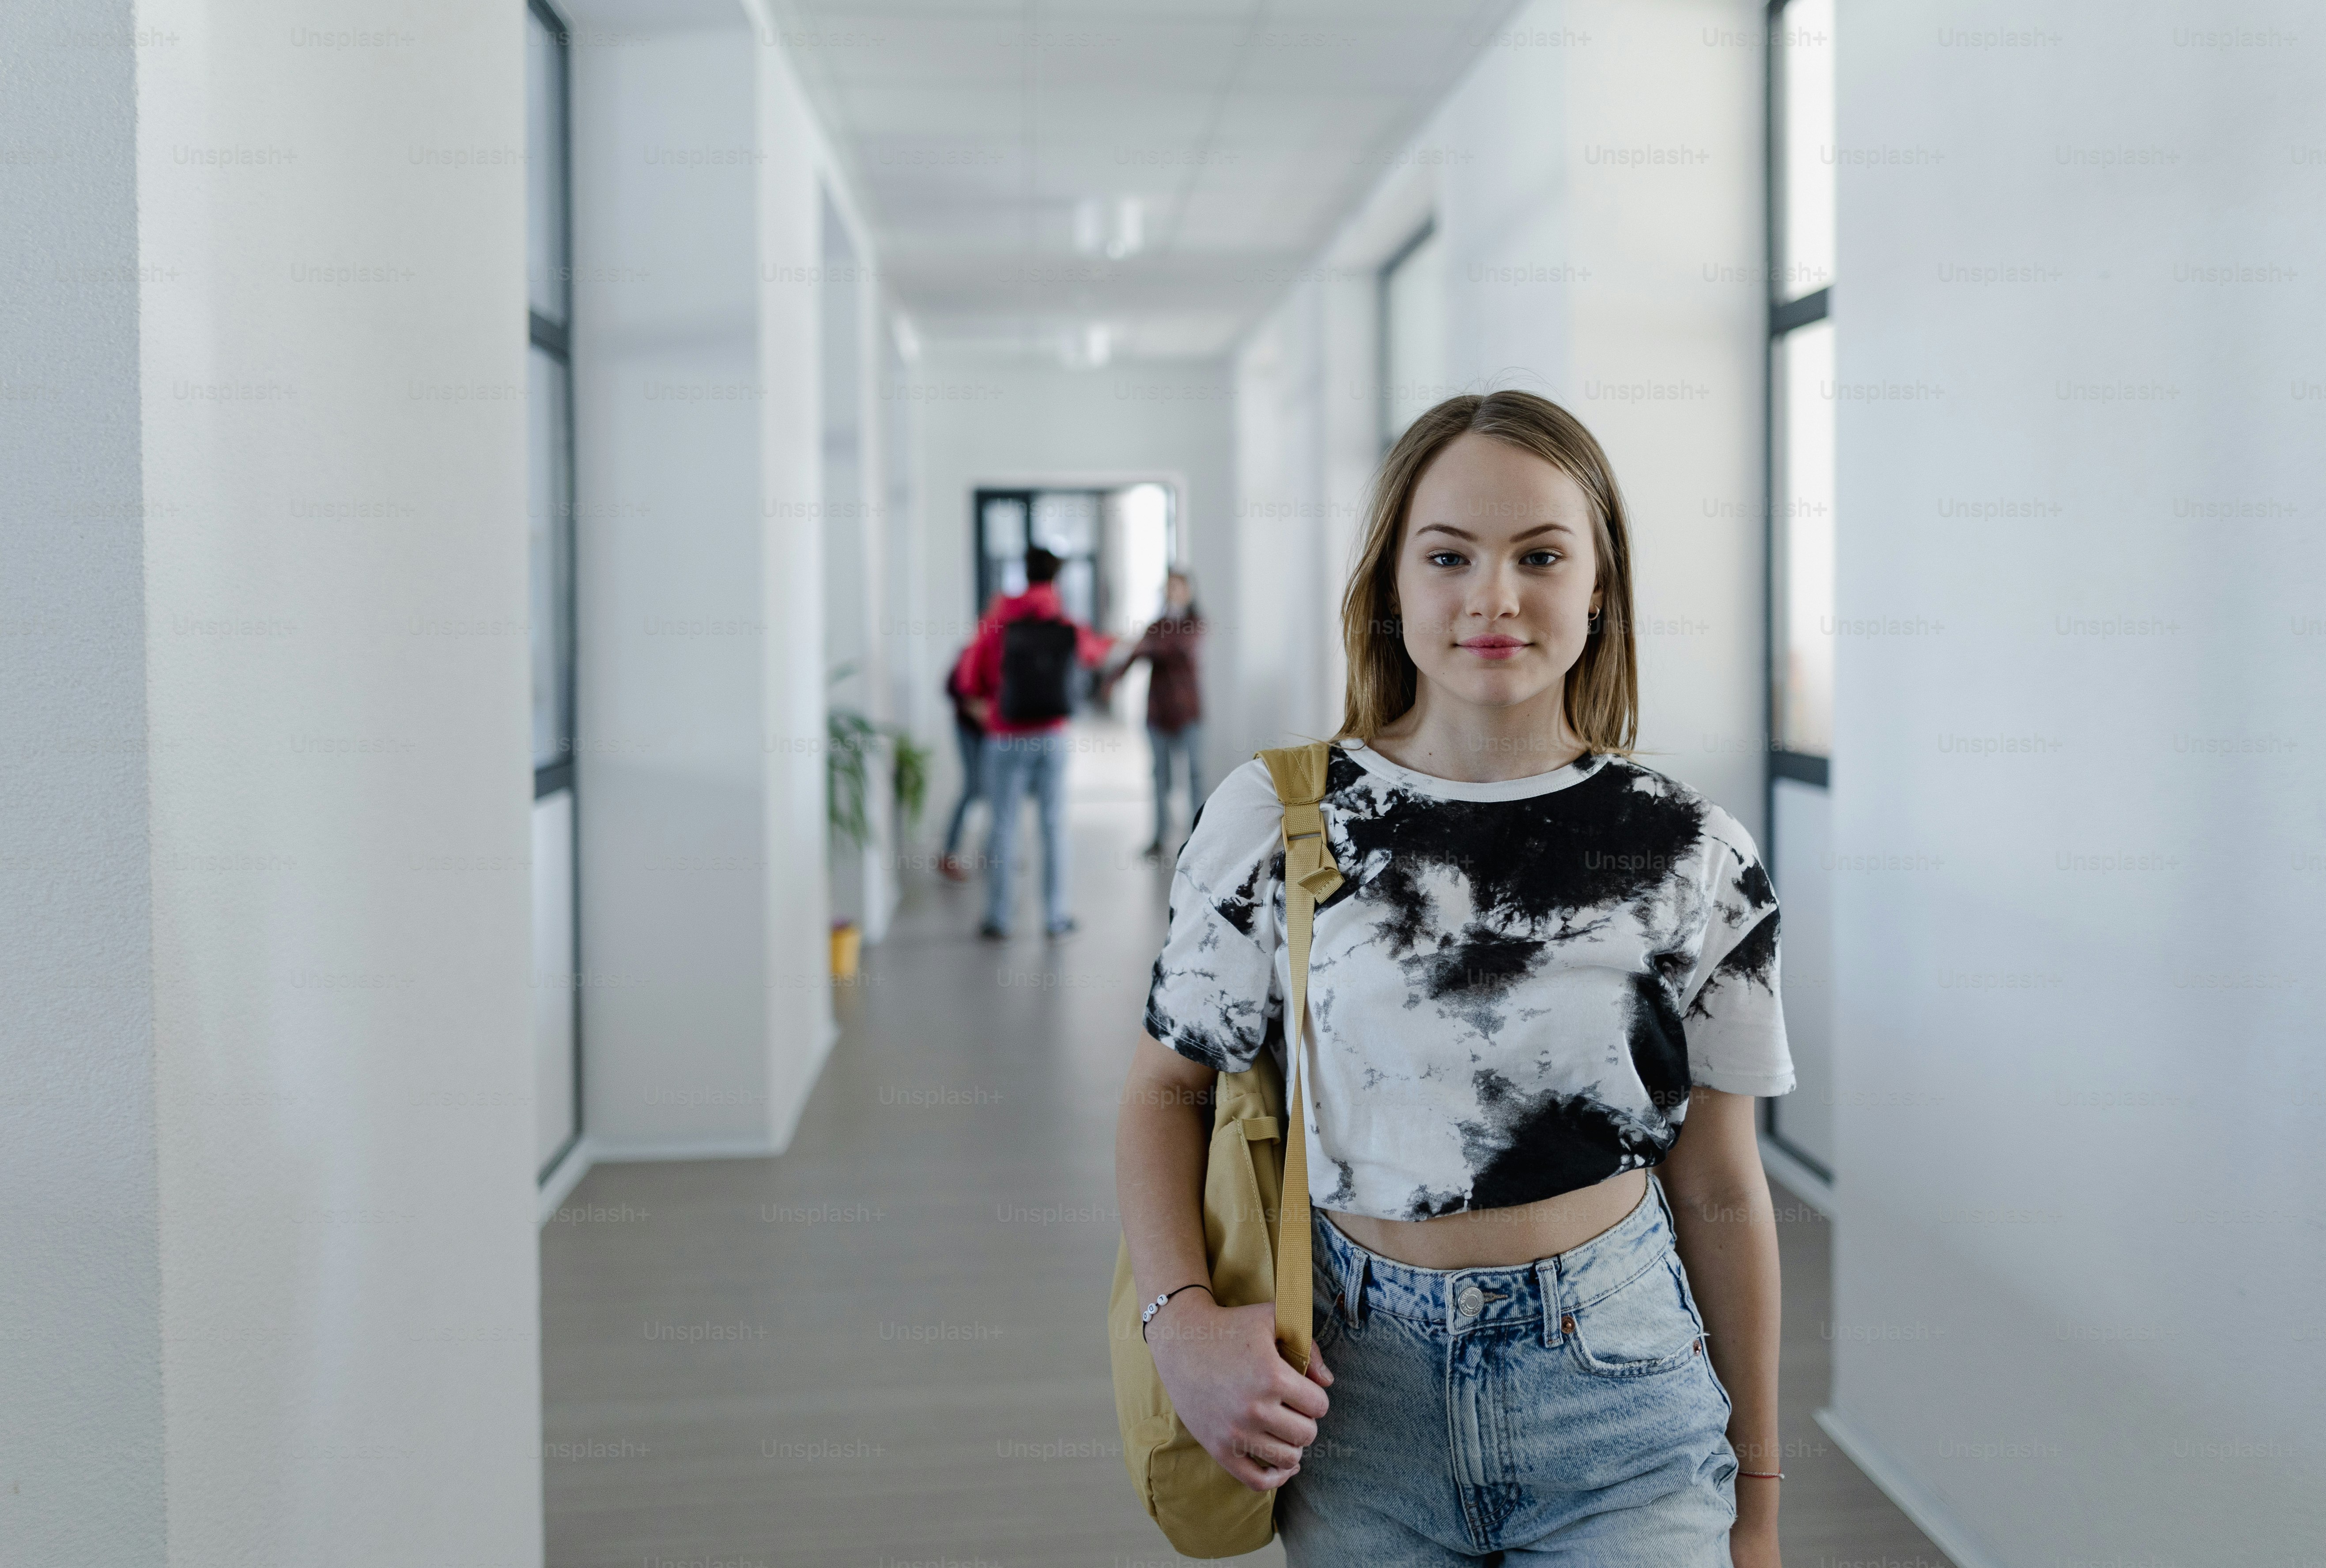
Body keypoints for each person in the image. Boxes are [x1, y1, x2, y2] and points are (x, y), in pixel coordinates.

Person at [1116, 391, 1796, 1566]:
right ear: (1391, 582)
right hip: (1350, 1393)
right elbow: (1161, 1089)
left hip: (1621, 1393)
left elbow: (1724, 1186)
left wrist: (1762, 1495)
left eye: (1540, 554)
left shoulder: (1693, 851)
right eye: (1448, 555)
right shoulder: (1276, 815)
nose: (1493, 595)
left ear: (1599, 585)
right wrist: (1179, 1322)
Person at [957, 546, 1114, 940]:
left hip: (1004, 735)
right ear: (1055, 578)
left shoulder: (997, 619)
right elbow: (1093, 655)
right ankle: (1056, 917)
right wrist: (1111, 640)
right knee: (1055, 825)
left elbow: (968, 675)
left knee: (1004, 826)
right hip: (1051, 734)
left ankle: (999, 918)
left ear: (1023, 575)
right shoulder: (1064, 621)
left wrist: (983, 700)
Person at [1099, 570, 1207, 861]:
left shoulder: (1194, 624)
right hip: (1158, 713)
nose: (1173, 592)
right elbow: (1134, 657)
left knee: (1194, 774)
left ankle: (1200, 835)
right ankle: (1160, 837)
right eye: (1169, 587)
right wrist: (1110, 681)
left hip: (1187, 713)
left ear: (1188, 591)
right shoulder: (1156, 627)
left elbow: (1179, 650)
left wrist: (1143, 644)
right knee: (1160, 776)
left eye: (1178, 587)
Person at [937, 616, 995, 883]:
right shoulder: (971, 652)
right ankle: (949, 854)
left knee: (996, 792)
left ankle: (992, 853)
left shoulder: (1006, 652)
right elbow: (952, 688)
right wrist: (974, 706)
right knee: (974, 788)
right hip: (970, 730)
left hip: (994, 732)